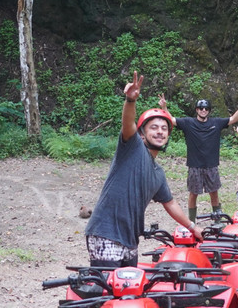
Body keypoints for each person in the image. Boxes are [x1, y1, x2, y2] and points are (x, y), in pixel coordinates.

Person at [84, 72, 201, 268]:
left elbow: (170, 203)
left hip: (130, 239)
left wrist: (192, 227)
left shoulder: (158, 172)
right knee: (109, 293)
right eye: (154, 127)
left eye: (164, 129)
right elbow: (127, 123)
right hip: (106, 232)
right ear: (142, 133)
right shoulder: (133, 147)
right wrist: (130, 100)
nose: (160, 132)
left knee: (130, 294)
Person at [171, 95, 238, 220]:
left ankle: (217, 219)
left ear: (209, 111)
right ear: (197, 109)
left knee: (214, 193)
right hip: (194, 165)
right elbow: (172, 119)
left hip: (211, 165)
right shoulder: (188, 123)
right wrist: (163, 106)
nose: (203, 110)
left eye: (206, 108)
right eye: (201, 108)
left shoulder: (216, 123)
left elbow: (233, 119)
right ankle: (191, 221)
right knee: (193, 194)